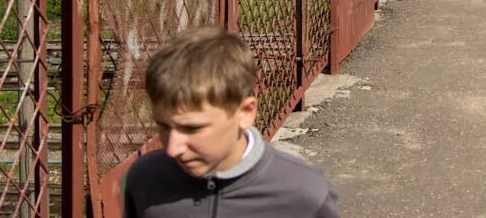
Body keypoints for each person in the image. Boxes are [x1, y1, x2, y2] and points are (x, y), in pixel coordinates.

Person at [123, 26, 340, 217]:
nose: (172, 149)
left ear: (245, 112)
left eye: (192, 128)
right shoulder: (145, 179)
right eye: (163, 126)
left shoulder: (304, 194)